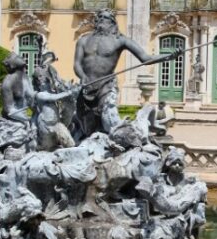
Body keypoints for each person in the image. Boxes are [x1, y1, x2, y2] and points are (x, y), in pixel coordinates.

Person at [73, 9, 180, 140]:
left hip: (105, 87)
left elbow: (145, 58)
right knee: (86, 128)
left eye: (105, 18)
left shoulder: (120, 40)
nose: (101, 20)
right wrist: (82, 76)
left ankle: (127, 141)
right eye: (99, 17)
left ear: (112, 22)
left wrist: (168, 56)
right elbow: (77, 64)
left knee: (109, 122)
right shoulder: (83, 40)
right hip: (86, 87)